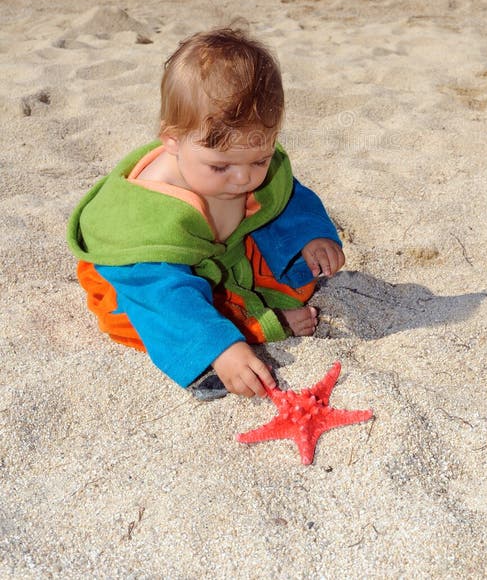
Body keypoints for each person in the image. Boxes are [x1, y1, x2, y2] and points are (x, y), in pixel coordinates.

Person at [67, 27, 344, 399]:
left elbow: (286, 193)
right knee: (139, 319)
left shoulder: (237, 156)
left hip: (224, 252)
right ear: (172, 140)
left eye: (259, 159)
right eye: (220, 167)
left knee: (290, 271)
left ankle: (241, 320)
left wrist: (310, 235)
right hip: (146, 271)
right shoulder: (149, 212)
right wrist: (221, 349)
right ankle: (238, 333)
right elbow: (161, 292)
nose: (243, 178)